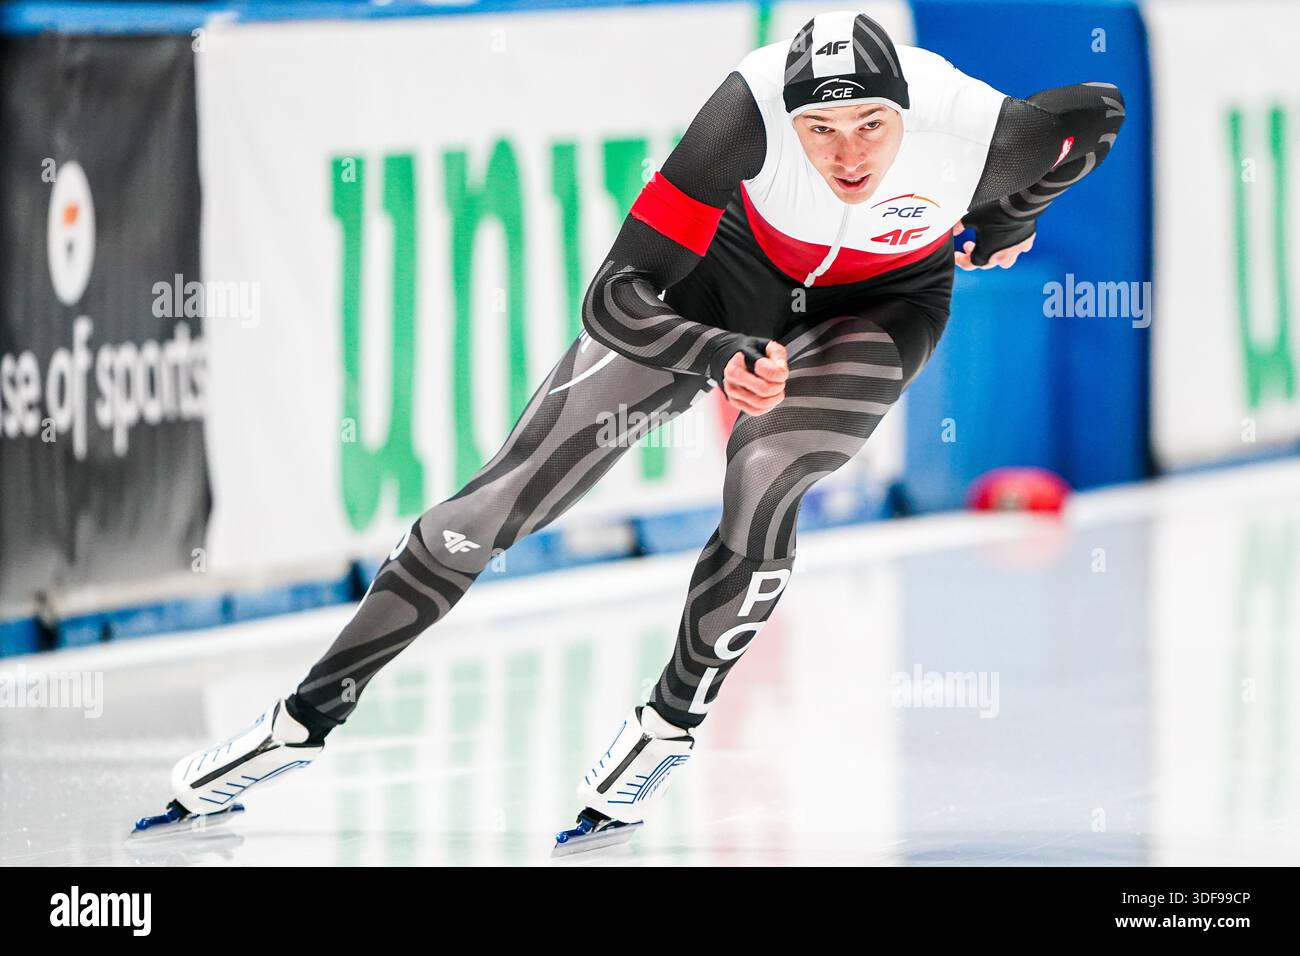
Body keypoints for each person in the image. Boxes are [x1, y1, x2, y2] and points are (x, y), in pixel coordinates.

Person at [141, 10, 1126, 847]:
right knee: (499, 500)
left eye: (871, 125)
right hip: (724, 284)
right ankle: (303, 717)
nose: (848, 155)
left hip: (880, 303)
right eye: (821, 130)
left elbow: (1097, 116)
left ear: (908, 115)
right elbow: (611, 295)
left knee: (769, 466)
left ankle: (671, 716)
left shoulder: (980, 128)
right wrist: (716, 353)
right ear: (788, 119)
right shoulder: (741, 112)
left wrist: (1001, 223)